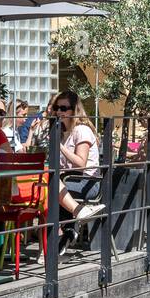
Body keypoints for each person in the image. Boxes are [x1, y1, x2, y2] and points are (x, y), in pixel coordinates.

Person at [54, 90, 105, 225]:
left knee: (50, 187)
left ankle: (77, 212)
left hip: (86, 182)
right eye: (56, 108)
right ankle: (67, 231)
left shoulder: (81, 130)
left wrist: (59, 147)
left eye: (63, 108)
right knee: (42, 188)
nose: (59, 111)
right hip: (68, 179)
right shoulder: (62, 132)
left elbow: (81, 164)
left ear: (74, 110)